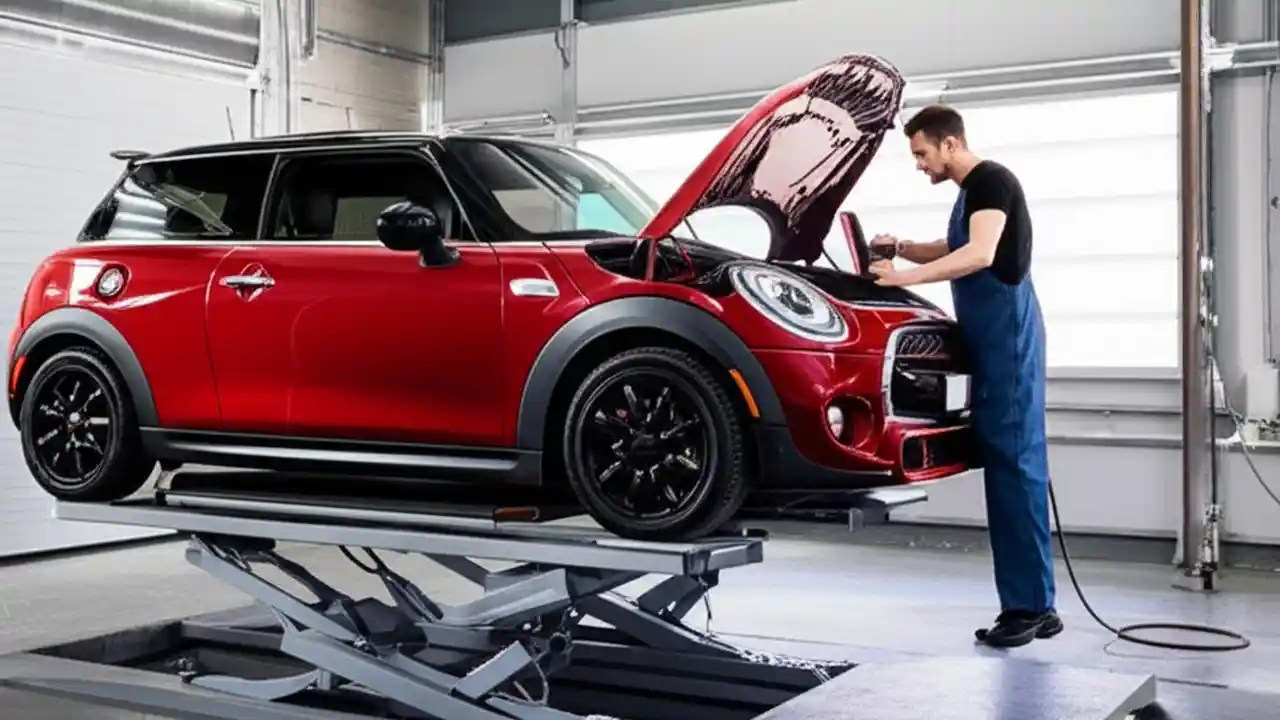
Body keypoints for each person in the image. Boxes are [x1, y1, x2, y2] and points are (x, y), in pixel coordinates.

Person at [867, 104, 1061, 648]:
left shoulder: (992, 180)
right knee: (1004, 462)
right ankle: (1033, 602)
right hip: (991, 341)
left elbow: (978, 254)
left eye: (922, 153)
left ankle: (1029, 608)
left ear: (950, 144)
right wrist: (900, 247)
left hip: (1010, 337)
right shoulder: (969, 193)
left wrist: (904, 277)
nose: (919, 164)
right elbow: (953, 245)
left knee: (1015, 466)